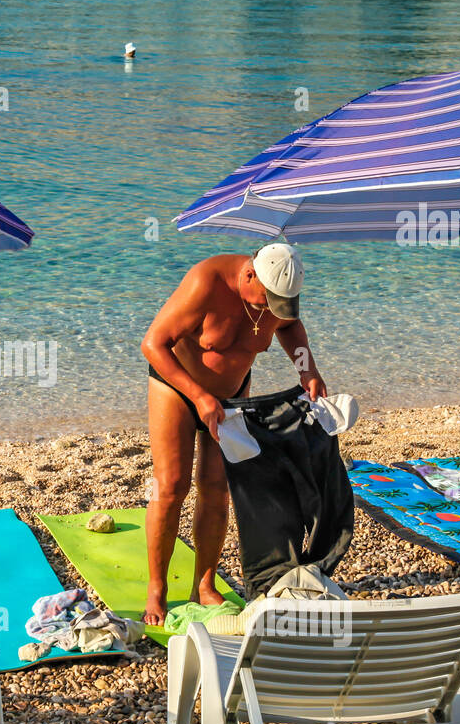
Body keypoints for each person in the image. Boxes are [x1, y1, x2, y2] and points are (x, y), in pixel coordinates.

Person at [138, 242, 326, 625]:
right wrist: (198, 395)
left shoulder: (277, 299)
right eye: (265, 300)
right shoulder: (205, 282)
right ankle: (157, 587)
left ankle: (204, 584)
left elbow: (290, 327)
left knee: (216, 488)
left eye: (278, 303)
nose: (268, 309)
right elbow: (153, 344)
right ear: (249, 274)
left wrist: (306, 368)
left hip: (232, 395)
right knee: (171, 486)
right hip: (177, 391)